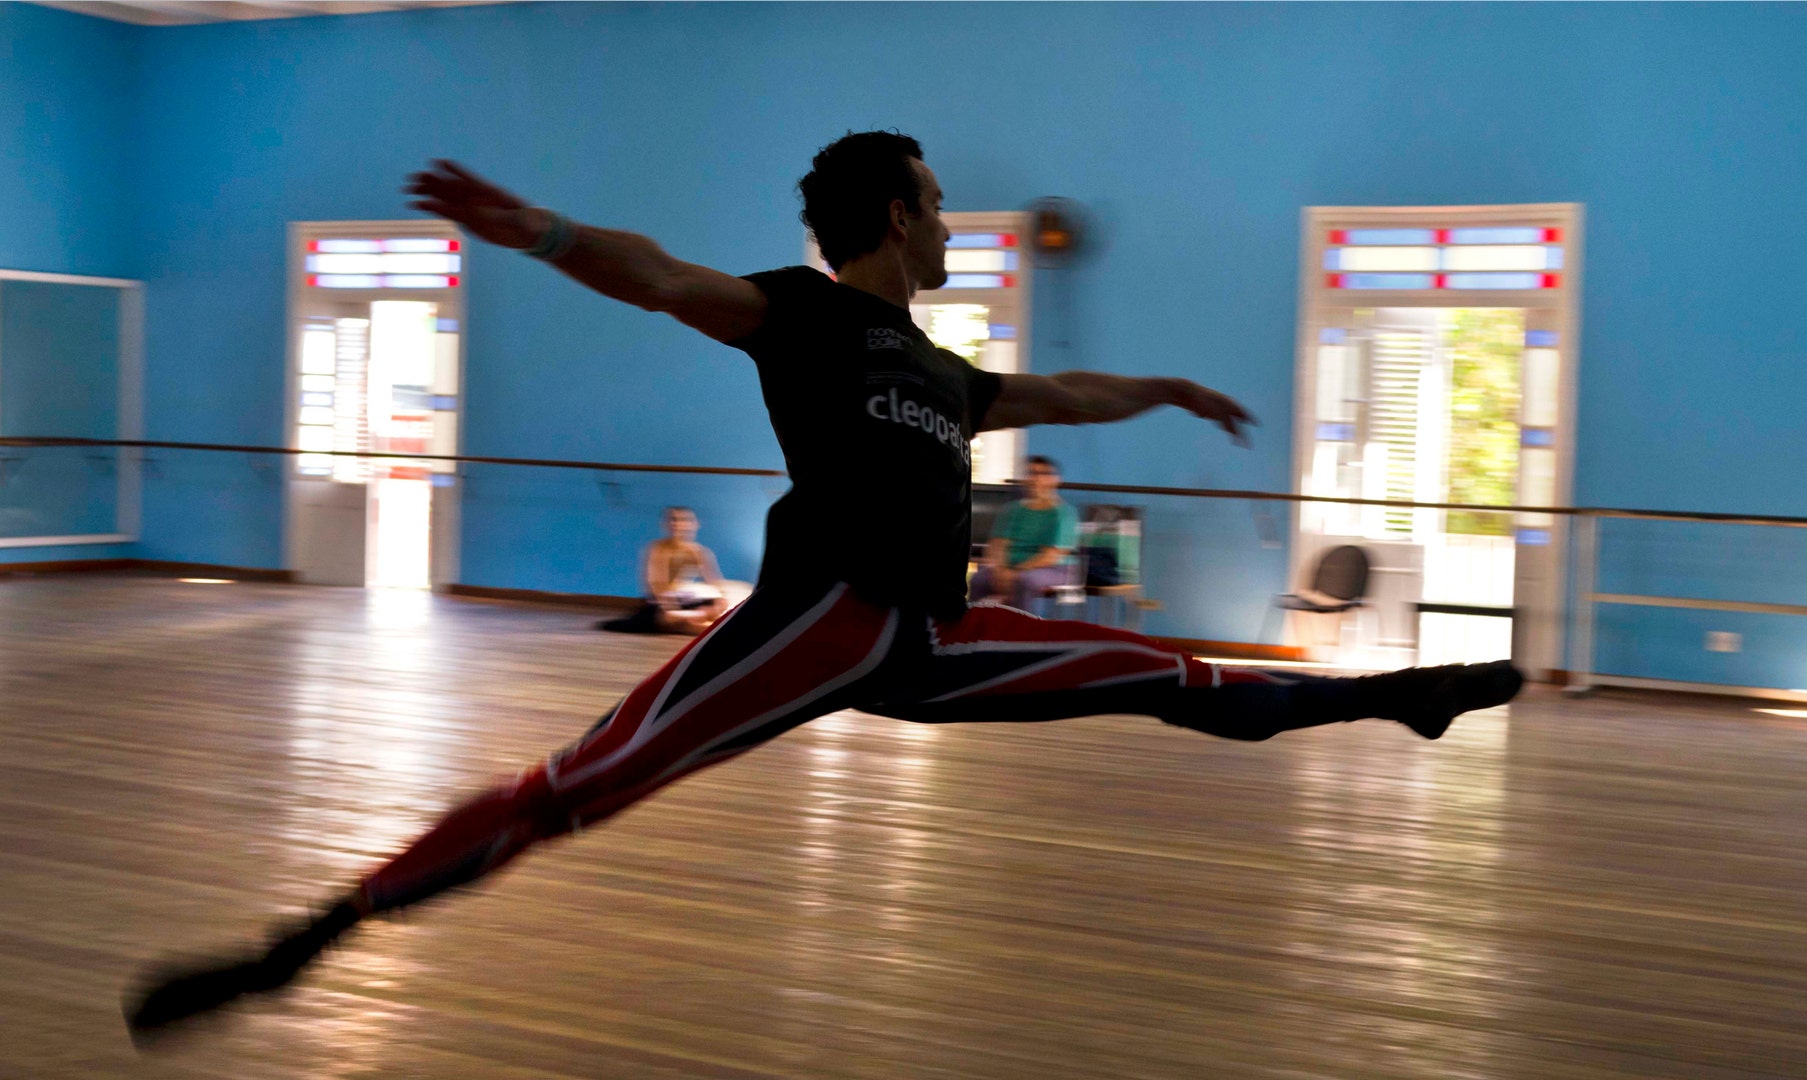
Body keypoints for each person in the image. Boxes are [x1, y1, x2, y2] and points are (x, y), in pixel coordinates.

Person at [126, 132, 1522, 1035]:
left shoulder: (940, 369)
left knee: (1174, 681)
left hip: (927, 635)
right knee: (570, 794)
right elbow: (663, 278)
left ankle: (1406, 698)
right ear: (896, 216)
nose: (943, 217)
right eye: (930, 197)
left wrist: (1157, 388)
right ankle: (297, 946)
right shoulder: (802, 318)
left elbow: (1062, 392)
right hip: (820, 620)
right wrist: (539, 232)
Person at [599, 507, 741, 634]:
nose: (677, 524)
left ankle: (689, 620)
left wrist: (721, 601)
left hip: (685, 602)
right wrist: (671, 609)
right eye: (673, 520)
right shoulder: (658, 548)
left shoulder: (700, 552)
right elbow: (656, 585)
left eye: (683, 520)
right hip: (662, 605)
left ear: (695, 524)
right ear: (666, 524)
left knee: (715, 606)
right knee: (667, 617)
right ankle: (687, 621)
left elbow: (715, 581)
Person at [973, 455, 1079, 612]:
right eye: (1032, 473)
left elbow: (1051, 556)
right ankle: (973, 630)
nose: (1036, 479)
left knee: (1023, 582)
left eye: (1043, 474)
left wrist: (1015, 572)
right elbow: (997, 544)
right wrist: (999, 569)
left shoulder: (1064, 513)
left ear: (1055, 479)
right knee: (978, 579)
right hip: (1009, 567)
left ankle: (1020, 633)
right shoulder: (1012, 510)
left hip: (1054, 569)